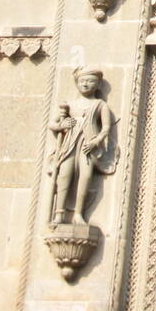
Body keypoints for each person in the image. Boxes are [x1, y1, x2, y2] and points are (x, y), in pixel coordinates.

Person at [48, 69, 115, 225]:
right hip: (69, 144)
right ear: (77, 83)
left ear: (98, 85)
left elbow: (106, 128)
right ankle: (59, 213)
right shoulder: (69, 105)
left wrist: (96, 141)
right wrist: (61, 125)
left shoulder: (100, 104)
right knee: (65, 175)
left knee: (85, 177)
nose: (85, 84)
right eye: (82, 81)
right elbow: (52, 123)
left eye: (90, 81)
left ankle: (78, 213)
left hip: (88, 145)